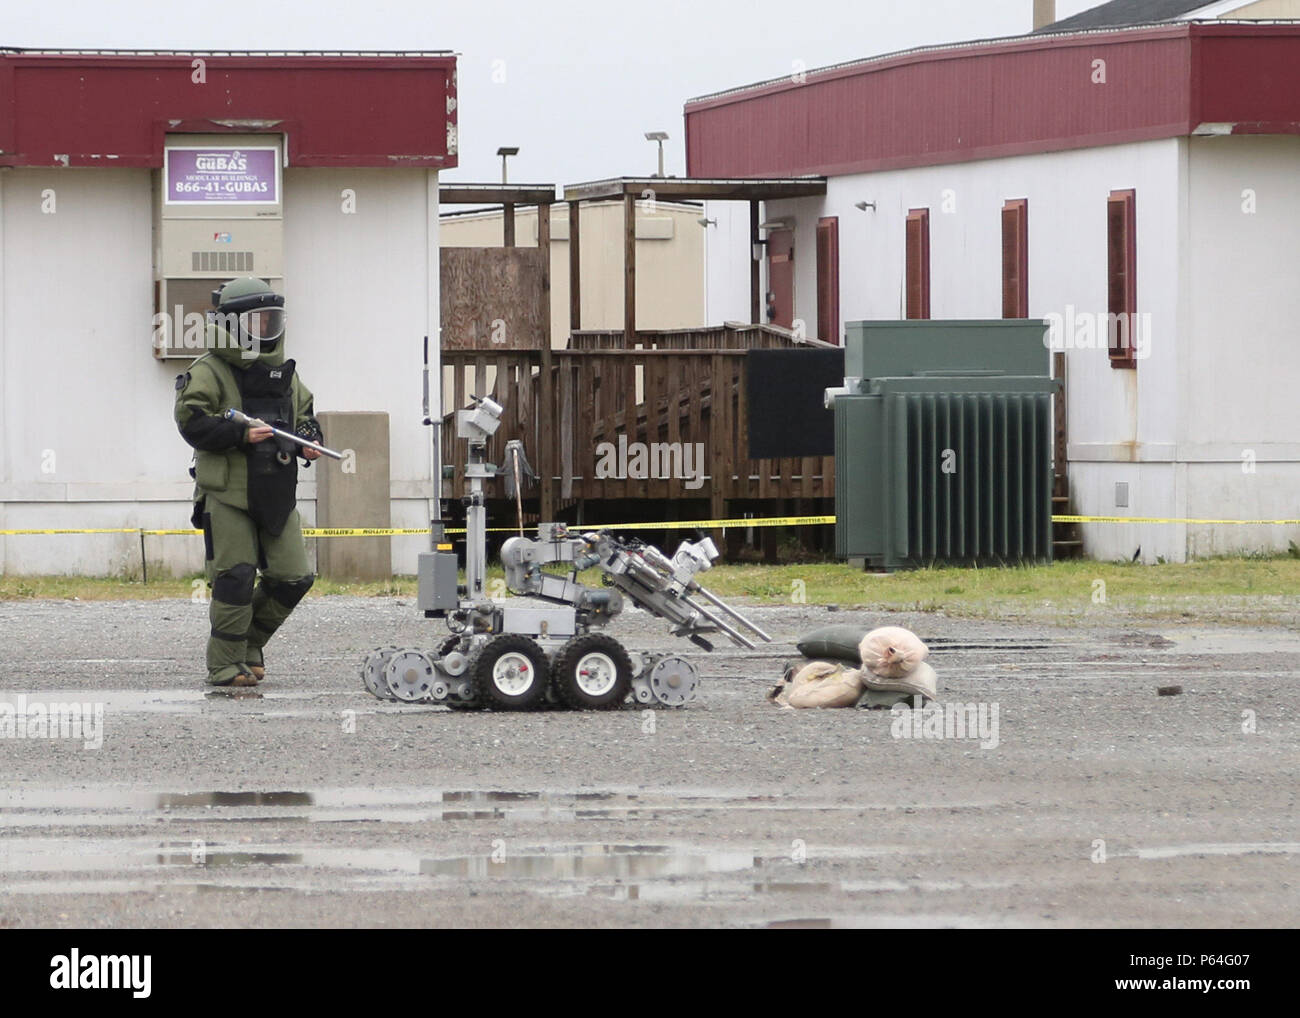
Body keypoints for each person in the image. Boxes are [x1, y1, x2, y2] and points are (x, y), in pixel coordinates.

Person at [173, 277, 324, 686]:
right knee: (235, 579)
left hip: (277, 492)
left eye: (272, 320)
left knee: (294, 577)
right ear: (233, 323)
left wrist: (310, 441)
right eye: (257, 321)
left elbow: (306, 416)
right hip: (227, 494)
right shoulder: (207, 370)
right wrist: (239, 434)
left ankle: (247, 645)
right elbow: (192, 423)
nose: (266, 329)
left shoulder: (285, 375)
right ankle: (223, 666)